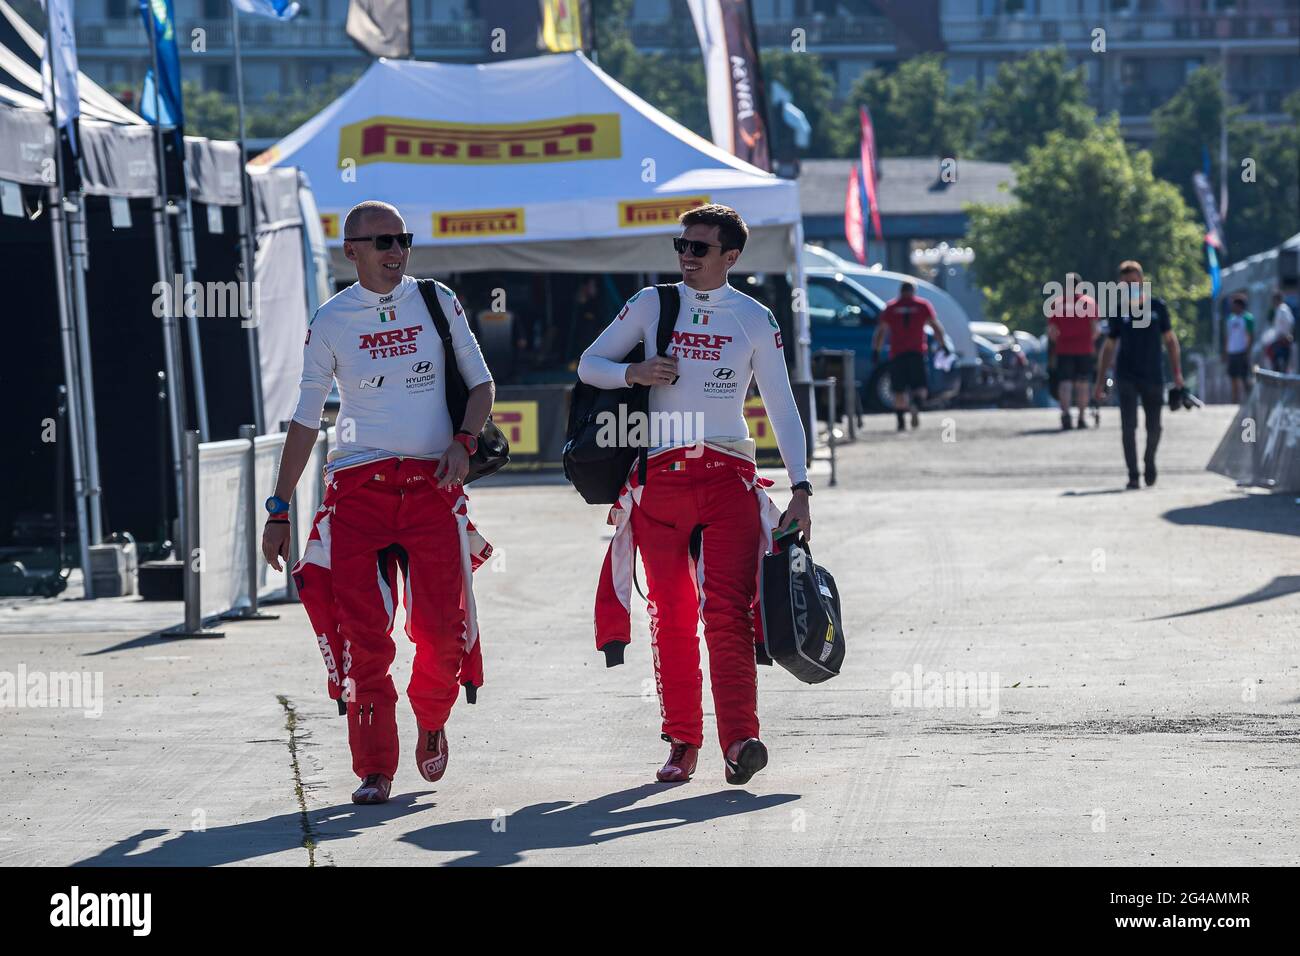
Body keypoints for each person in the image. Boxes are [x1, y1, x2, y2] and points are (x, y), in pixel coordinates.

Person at [261, 200, 496, 805]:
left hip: (432, 489)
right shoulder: (332, 319)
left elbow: (481, 383)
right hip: (358, 491)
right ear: (352, 252)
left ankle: (431, 715)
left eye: (403, 240)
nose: (396, 252)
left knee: (444, 634)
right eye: (382, 242)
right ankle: (375, 768)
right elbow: (306, 419)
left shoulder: (439, 301)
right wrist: (279, 507)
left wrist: (465, 443)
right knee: (366, 640)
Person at [578, 203, 812, 786]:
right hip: (662, 479)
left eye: (699, 248)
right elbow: (589, 364)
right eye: (681, 245)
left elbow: (782, 407)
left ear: (730, 257)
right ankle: (682, 740)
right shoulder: (653, 303)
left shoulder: (756, 318)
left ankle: (740, 741)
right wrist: (635, 374)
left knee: (727, 614)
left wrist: (801, 487)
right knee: (672, 615)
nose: (686, 255)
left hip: (729, 475)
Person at [1094, 260, 1183, 490]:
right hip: (1126, 376)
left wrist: (1178, 374)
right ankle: (1133, 473)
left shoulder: (1157, 307)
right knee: (1128, 427)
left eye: (1133, 282)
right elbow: (1109, 347)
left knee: (1155, 427)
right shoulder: (1117, 311)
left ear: (1142, 282)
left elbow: (1171, 341)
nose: (1129, 287)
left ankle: (1149, 460)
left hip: (1153, 375)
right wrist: (1100, 380)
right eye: (1124, 283)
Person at [871, 282, 947, 431]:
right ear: (913, 291)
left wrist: (876, 351)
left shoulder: (891, 307)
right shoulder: (922, 306)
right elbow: (936, 327)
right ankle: (915, 407)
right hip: (916, 353)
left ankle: (900, 421)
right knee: (920, 387)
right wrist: (943, 345)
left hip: (897, 354)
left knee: (898, 390)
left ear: (900, 291)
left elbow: (881, 331)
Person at [1046, 274, 1098, 430]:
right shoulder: (1088, 303)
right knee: (1083, 384)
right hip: (1084, 349)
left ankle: (1066, 416)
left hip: (1064, 349)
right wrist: (1089, 341)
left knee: (1065, 383)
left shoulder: (1057, 303)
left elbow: (1052, 331)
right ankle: (1081, 418)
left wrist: (1061, 341)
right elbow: (1095, 329)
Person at [1223, 295, 1254, 403]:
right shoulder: (1230, 319)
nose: (1233, 308)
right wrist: (1225, 351)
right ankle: (1235, 401)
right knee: (1233, 377)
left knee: (1245, 377)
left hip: (1242, 352)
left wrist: (1247, 351)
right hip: (1232, 352)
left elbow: (1250, 335)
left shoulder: (1247, 318)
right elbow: (1228, 336)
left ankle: (1249, 400)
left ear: (1240, 306)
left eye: (1235, 305)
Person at [1268, 290, 1294, 373]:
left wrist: (1284, 335)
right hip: (1279, 340)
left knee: (1281, 364)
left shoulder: (1283, 309)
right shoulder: (1279, 309)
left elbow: (1289, 322)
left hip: (1283, 340)